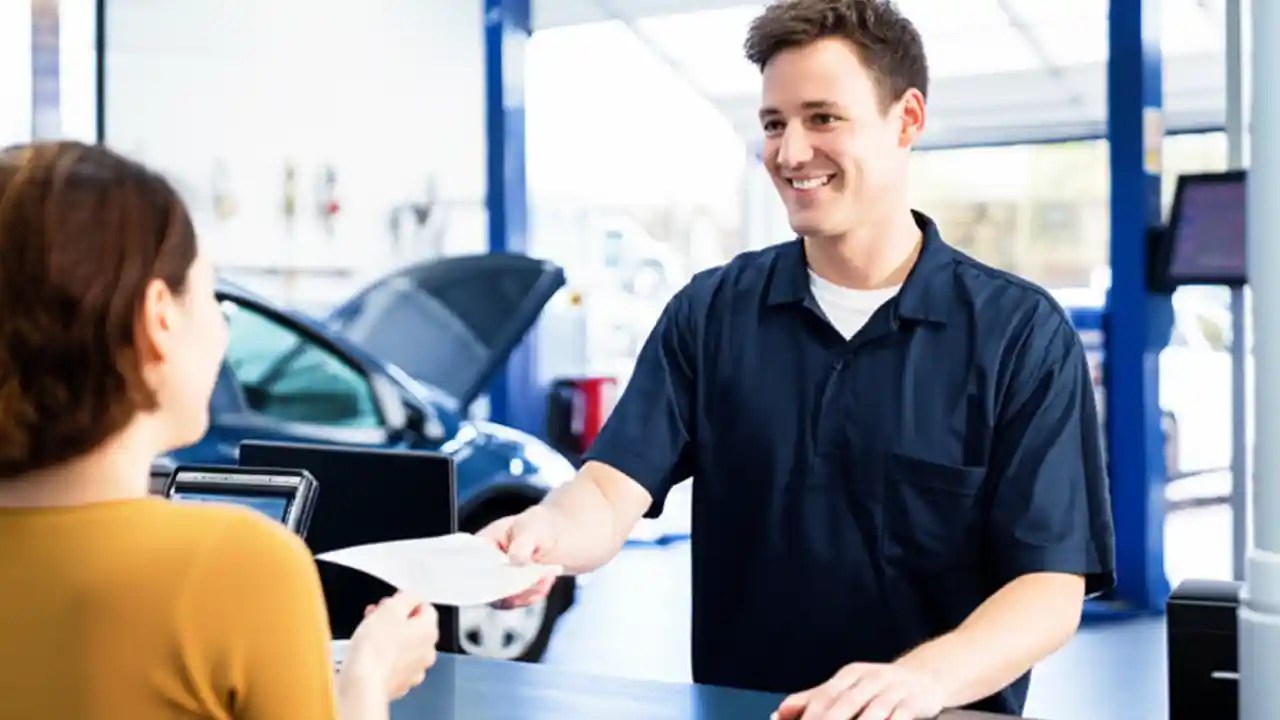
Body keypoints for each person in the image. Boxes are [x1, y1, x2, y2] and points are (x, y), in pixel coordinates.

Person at [480, 1, 1116, 718]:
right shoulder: (711, 314)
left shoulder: (1018, 335)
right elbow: (605, 492)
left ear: (907, 120)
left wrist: (921, 681)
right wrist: (546, 533)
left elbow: (1049, 587)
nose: (789, 154)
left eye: (823, 118)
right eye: (775, 123)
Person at [0, 141, 438, 720]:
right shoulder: (239, 566)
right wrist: (368, 678)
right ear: (158, 319)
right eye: (210, 297)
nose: (221, 332)